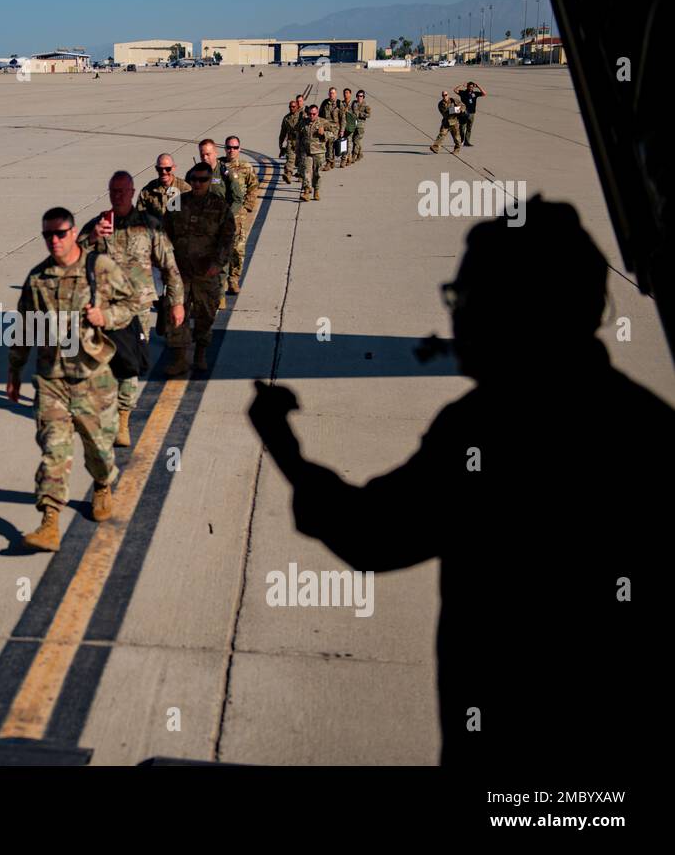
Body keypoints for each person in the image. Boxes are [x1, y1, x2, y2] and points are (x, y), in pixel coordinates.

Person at [247, 196, 671, 768]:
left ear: (517, 311)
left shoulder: (493, 429)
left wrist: (284, 445)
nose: (456, 318)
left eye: (468, 298)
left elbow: (371, 534)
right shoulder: (648, 425)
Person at [7, 207, 139, 552]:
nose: (54, 241)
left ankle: (101, 484)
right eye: (47, 235)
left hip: (93, 378)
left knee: (98, 449)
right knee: (54, 449)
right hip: (52, 380)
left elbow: (132, 304)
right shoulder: (38, 278)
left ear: (74, 231)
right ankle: (49, 522)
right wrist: (14, 371)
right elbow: (24, 328)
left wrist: (105, 315)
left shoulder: (99, 268)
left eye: (61, 234)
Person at [79, 172, 185, 447]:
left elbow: (169, 266)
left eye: (123, 191)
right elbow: (71, 259)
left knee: (130, 363)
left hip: (137, 307)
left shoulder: (149, 225)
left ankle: (123, 419)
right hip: (102, 306)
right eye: (113, 191)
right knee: (99, 362)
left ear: (132, 192)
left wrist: (176, 302)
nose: (118, 195)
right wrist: (90, 239)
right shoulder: (99, 224)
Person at [162, 162, 234, 375]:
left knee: (205, 315)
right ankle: (180, 358)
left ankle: (200, 354)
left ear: (210, 181)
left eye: (202, 179)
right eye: (193, 179)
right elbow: (164, 234)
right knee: (176, 315)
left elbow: (227, 238)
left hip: (206, 273)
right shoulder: (177, 203)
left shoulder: (220, 207)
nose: (197, 184)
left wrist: (217, 264)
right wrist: (167, 263)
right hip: (180, 272)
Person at [198, 139, 244, 309]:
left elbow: (238, 198)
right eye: (202, 154)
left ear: (216, 153)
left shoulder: (225, 173)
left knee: (221, 262)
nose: (205, 157)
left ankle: (220, 294)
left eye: (208, 154)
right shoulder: (196, 174)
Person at [222, 136, 260, 294]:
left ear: (239, 149)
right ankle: (220, 283)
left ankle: (234, 280)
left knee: (238, 249)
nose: (232, 150)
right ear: (225, 148)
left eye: (235, 147)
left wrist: (247, 208)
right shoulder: (218, 166)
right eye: (229, 147)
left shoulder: (246, 167)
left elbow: (253, 187)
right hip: (221, 215)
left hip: (239, 216)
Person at [139, 153, 191, 219]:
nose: (164, 172)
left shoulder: (185, 190)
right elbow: (139, 216)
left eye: (168, 169)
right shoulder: (147, 191)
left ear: (173, 168)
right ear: (156, 168)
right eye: (160, 169)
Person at [296, 105, 330, 201]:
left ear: (317, 113)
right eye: (310, 114)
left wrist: (324, 134)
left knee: (317, 173)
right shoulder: (303, 122)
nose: (311, 116)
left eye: (314, 114)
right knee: (306, 171)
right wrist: (297, 150)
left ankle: (316, 191)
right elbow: (299, 136)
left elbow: (334, 134)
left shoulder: (323, 122)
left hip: (319, 152)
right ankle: (306, 192)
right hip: (306, 152)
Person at [430, 89, 463, 154]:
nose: (444, 96)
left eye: (446, 95)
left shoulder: (454, 100)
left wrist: (460, 110)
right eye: (443, 95)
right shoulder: (440, 104)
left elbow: (463, 106)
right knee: (441, 135)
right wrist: (456, 109)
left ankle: (457, 149)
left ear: (448, 95)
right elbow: (445, 113)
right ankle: (435, 148)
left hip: (454, 122)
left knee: (456, 137)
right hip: (446, 122)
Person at [318, 87, 343, 170]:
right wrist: (320, 126)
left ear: (336, 94)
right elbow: (320, 115)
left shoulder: (339, 104)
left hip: (335, 128)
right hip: (325, 127)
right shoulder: (325, 103)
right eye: (330, 93)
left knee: (330, 142)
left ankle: (329, 162)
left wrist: (342, 130)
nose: (331, 94)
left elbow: (343, 118)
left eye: (333, 93)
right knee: (326, 143)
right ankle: (330, 161)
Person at [454, 80, 485, 146]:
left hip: (472, 113)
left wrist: (478, 86)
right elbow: (455, 90)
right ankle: (461, 140)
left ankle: (467, 142)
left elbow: (484, 94)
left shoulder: (475, 93)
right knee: (462, 128)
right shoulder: (463, 92)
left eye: (472, 87)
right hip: (464, 113)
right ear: (467, 87)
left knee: (469, 128)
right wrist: (462, 85)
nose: (471, 88)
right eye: (470, 87)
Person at [278, 100, 301, 184]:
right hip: (290, 141)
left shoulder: (301, 116)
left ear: (297, 107)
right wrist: (281, 144)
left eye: (293, 107)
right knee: (290, 159)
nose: (291, 108)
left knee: (300, 160)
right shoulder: (286, 118)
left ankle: (301, 174)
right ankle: (288, 174)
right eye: (290, 107)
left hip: (300, 141)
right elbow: (283, 132)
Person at [348, 89, 371, 163]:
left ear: (363, 97)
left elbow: (369, 115)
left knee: (356, 140)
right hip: (353, 124)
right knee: (355, 140)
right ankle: (360, 154)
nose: (359, 97)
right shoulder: (354, 103)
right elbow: (351, 110)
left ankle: (354, 155)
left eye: (361, 96)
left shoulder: (366, 105)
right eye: (358, 96)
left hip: (361, 125)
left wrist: (360, 114)